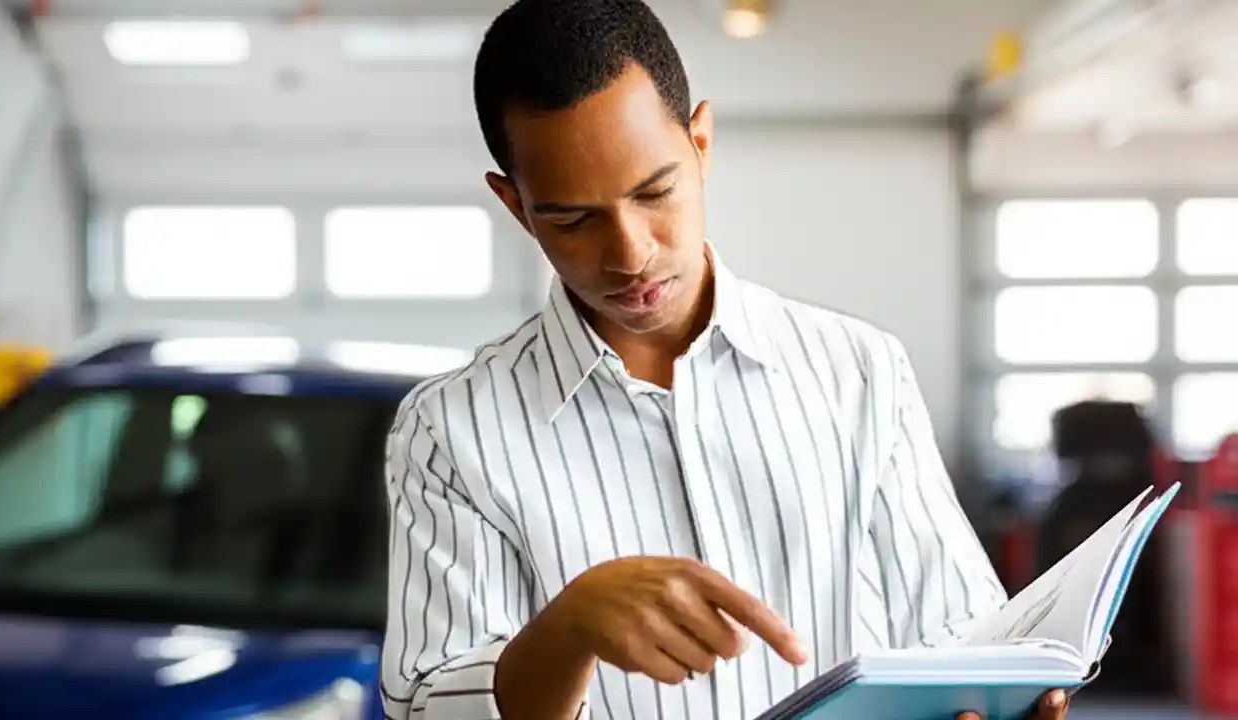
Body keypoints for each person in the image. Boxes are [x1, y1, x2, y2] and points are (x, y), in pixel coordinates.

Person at [378, 1, 1070, 718]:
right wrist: (567, 631)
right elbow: (428, 706)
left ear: (701, 143)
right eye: (573, 218)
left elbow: (960, 632)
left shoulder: (858, 371)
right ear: (516, 207)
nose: (631, 254)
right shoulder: (451, 430)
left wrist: (1003, 694)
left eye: (655, 192)